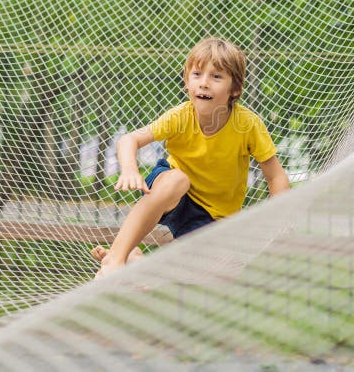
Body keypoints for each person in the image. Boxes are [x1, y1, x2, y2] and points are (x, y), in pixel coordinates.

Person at [93, 37, 290, 278]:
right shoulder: (180, 116)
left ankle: (138, 263)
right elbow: (128, 140)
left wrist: (281, 216)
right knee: (177, 180)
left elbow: (275, 176)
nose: (204, 83)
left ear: (235, 88)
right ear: (187, 81)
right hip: (173, 194)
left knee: (217, 269)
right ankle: (117, 257)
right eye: (197, 74)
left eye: (216, 77)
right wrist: (129, 170)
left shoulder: (247, 125)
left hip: (213, 217)